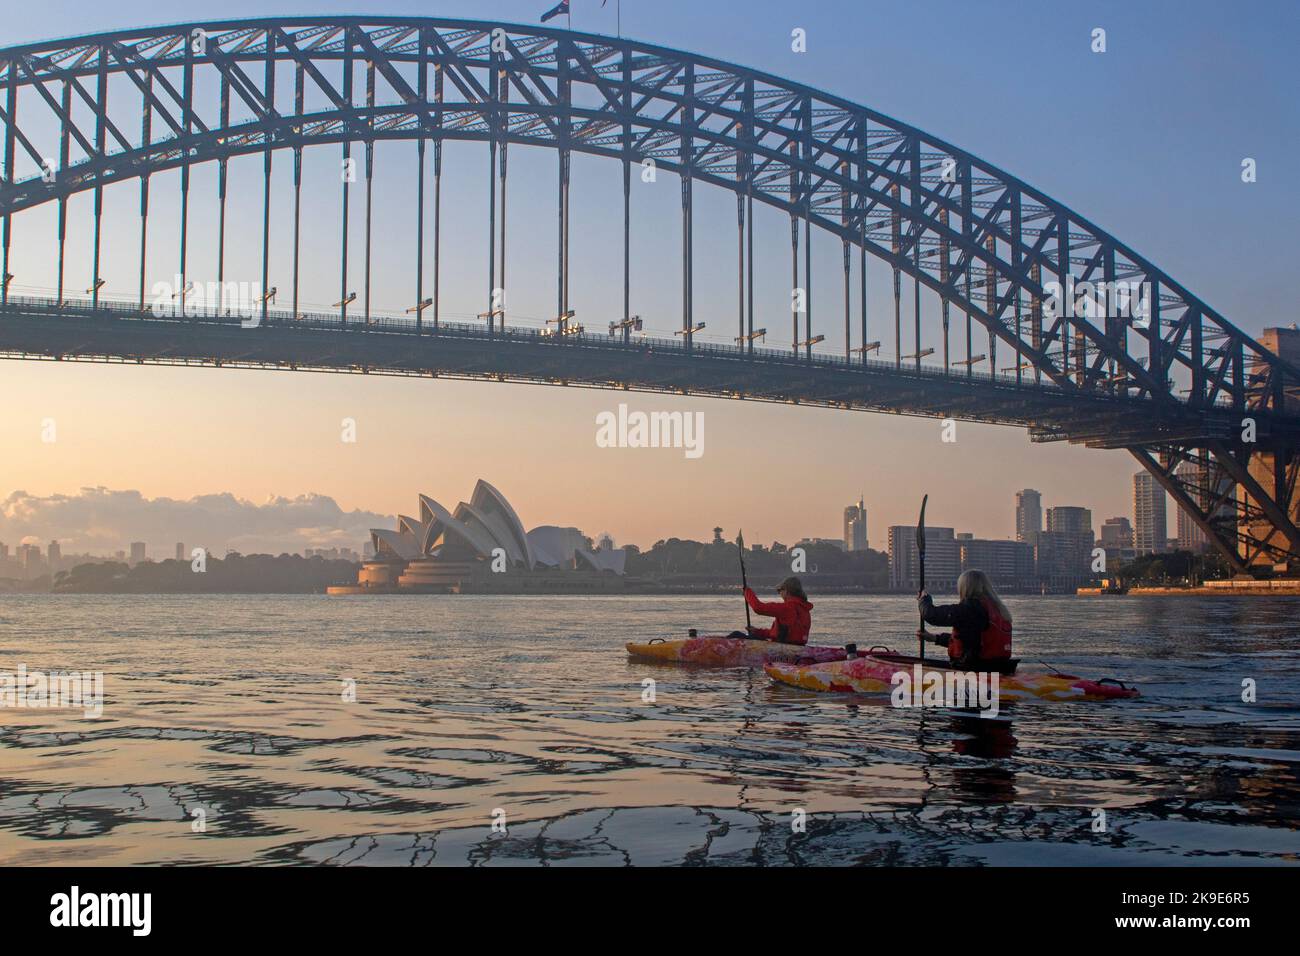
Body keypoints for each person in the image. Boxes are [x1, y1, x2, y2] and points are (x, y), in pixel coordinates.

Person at [917, 569, 1013, 669]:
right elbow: (970, 638)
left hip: (975, 668)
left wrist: (924, 599)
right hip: (1001, 667)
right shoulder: (998, 608)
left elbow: (931, 615)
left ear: (964, 588)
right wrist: (935, 638)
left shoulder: (969, 609)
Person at [729, 576, 813, 645]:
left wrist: (747, 592)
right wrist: (757, 631)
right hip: (798, 647)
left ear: (786, 591)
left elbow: (758, 608)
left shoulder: (787, 607)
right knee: (750, 635)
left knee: (736, 635)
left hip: (782, 648)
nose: (779, 593)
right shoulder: (804, 609)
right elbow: (776, 633)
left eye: (779, 590)